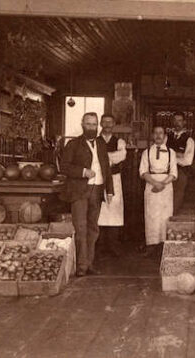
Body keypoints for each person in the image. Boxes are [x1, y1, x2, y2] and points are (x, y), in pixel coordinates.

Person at [60, 113, 114, 277]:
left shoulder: (101, 144)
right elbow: (64, 167)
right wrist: (83, 172)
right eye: (89, 124)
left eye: (94, 124)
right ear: (82, 124)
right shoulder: (73, 144)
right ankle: (81, 266)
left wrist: (109, 190)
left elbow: (106, 168)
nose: (92, 127)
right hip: (79, 191)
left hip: (97, 190)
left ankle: (89, 263)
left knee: (93, 229)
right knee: (81, 228)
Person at [140, 126, 178, 257]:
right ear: (152, 135)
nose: (158, 135)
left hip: (166, 186)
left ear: (165, 136)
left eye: (160, 133)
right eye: (155, 133)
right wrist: (155, 183)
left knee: (165, 215)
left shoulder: (171, 152)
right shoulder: (146, 152)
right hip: (151, 185)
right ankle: (151, 245)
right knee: (151, 215)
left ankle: (164, 245)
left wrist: (162, 184)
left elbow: (173, 173)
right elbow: (143, 172)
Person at [97, 114, 127, 256]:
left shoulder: (119, 141)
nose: (107, 124)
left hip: (114, 179)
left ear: (114, 124)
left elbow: (121, 156)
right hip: (98, 178)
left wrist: (103, 157)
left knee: (114, 209)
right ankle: (100, 245)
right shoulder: (95, 141)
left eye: (110, 122)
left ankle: (113, 245)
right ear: (101, 124)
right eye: (105, 122)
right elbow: (93, 157)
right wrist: (110, 156)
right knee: (99, 209)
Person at [166, 112, 195, 212]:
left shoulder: (189, 140)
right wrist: (178, 154)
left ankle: (172, 216)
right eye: (175, 120)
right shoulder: (166, 137)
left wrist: (171, 155)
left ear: (184, 122)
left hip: (181, 172)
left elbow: (187, 161)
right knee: (166, 195)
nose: (177, 123)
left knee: (177, 197)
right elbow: (161, 154)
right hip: (167, 171)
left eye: (180, 121)